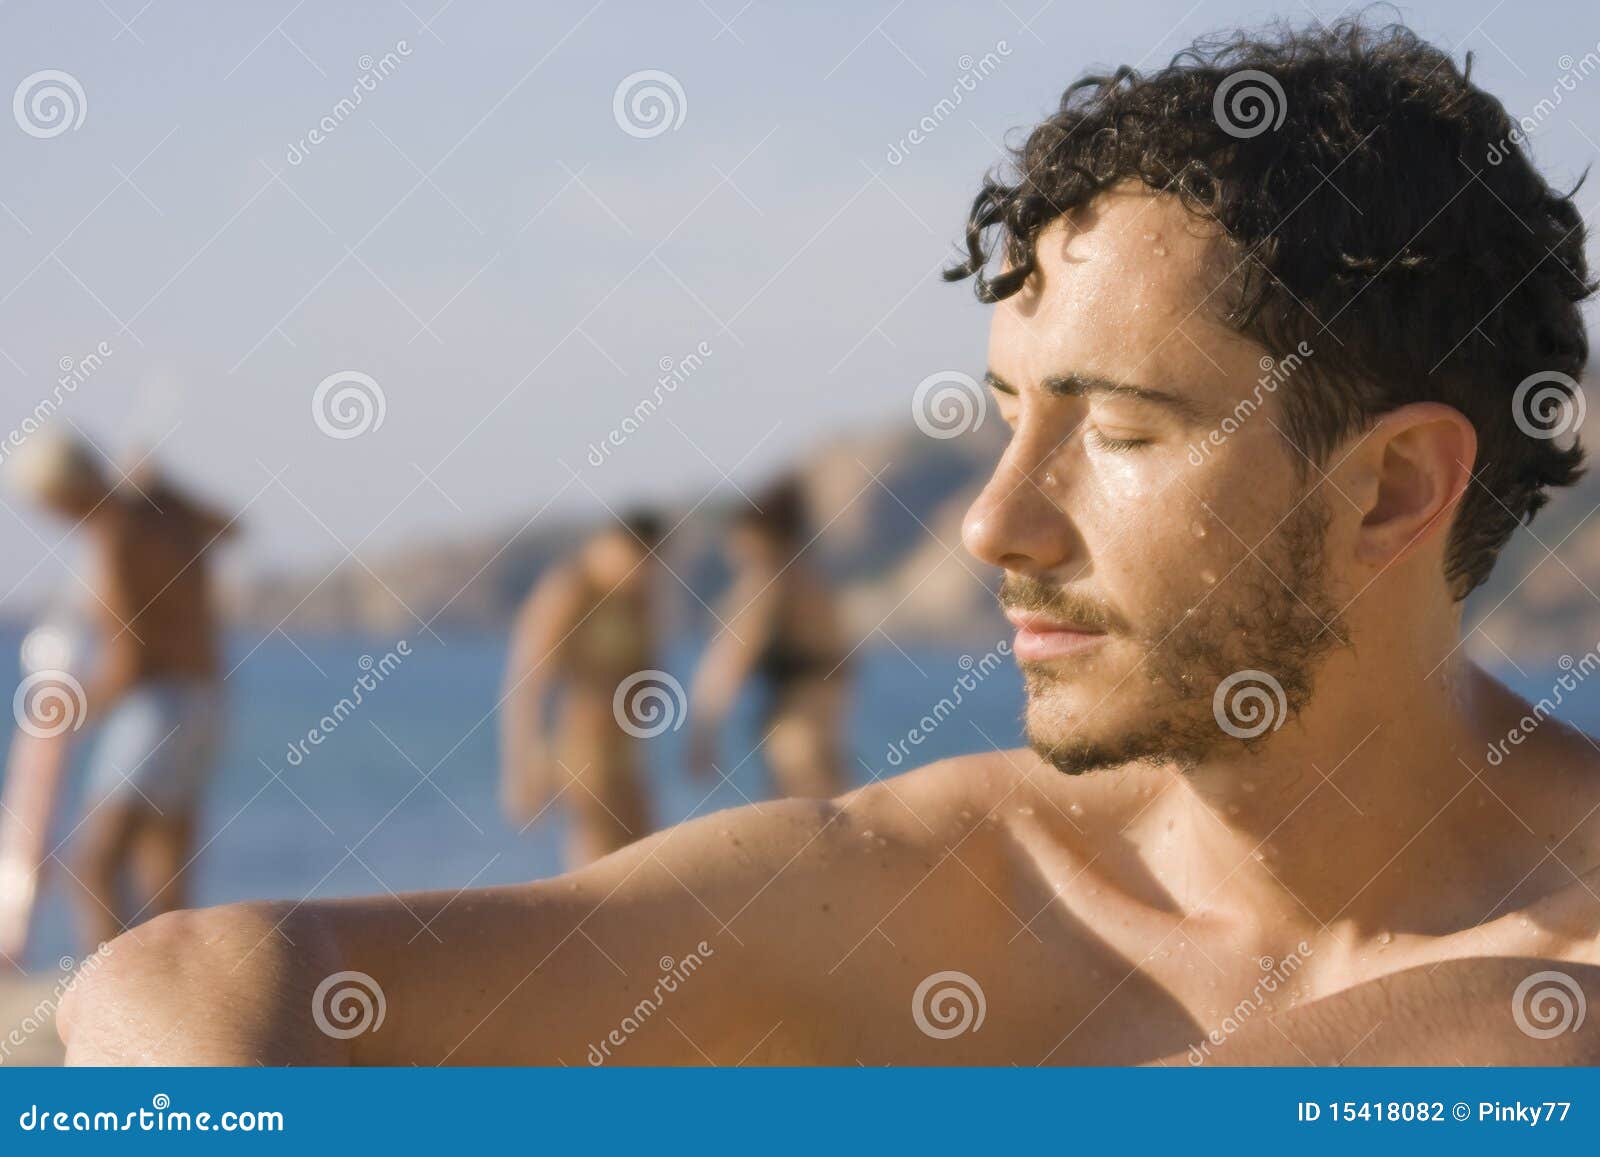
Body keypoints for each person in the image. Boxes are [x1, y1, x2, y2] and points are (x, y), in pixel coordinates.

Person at [59, 20, 1600, 1065]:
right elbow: (178, 989)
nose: (997, 520)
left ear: (1394, 491)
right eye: (1005, 418)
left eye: (1119, 432)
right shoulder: (964, 887)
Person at [8, 433, 234, 952]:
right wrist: (171, 487)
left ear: (61, 495)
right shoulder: (166, 510)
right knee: (167, 875)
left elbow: (132, 660)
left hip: (158, 709)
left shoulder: (113, 536)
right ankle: (179, 1001)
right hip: (208, 701)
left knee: (95, 866)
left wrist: (73, 709)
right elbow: (232, 529)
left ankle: (118, 995)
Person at [499, 510, 663, 867]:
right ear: (611, 546)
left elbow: (646, 670)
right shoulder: (570, 590)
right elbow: (528, 682)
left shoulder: (636, 598)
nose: (642, 572)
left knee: (649, 862)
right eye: (638, 560)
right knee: (600, 869)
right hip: (581, 752)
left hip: (627, 753)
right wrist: (523, 768)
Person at [687, 476, 848, 799]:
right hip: (822, 717)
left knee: (805, 815)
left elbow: (732, 657)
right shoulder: (806, 577)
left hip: (798, 724)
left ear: (758, 535)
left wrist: (704, 730)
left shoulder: (770, 582)